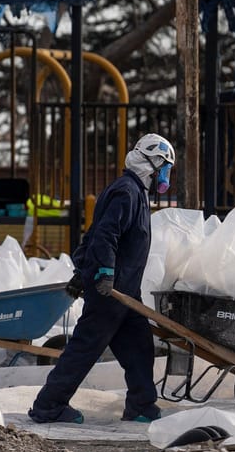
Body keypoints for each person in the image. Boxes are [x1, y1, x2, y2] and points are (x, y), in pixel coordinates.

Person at [28, 133, 175, 424]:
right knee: (85, 349)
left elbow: (93, 234)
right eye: (165, 167)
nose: (166, 175)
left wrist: (82, 272)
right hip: (111, 291)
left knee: (139, 347)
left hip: (126, 292)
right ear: (153, 163)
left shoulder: (134, 191)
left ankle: (141, 406)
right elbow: (106, 235)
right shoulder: (126, 192)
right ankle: (48, 406)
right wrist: (103, 273)